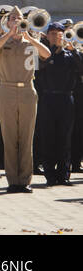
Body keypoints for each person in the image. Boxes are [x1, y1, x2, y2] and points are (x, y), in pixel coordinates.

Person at [0, 6, 50, 192]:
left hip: (27, 91)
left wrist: (29, 37)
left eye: (19, 18)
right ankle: (12, 180)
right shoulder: (1, 40)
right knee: (9, 136)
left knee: (26, 136)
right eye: (12, 18)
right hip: (6, 89)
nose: (16, 20)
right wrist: (9, 34)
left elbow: (46, 54)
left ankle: (25, 180)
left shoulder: (31, 42)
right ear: (7, 22)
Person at [34, 22, 81, 186]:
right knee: (49, 137)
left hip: (66, 99)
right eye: (53, 33)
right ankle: (50, 175)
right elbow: (38, 68)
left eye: (59, 34)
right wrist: (53, 51)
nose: (56, 36)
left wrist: (73, 50)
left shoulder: (70, 56)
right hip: (48, 99)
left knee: (64, 138)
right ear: (47, 36)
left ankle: (64, 175)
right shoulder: (43, 54)